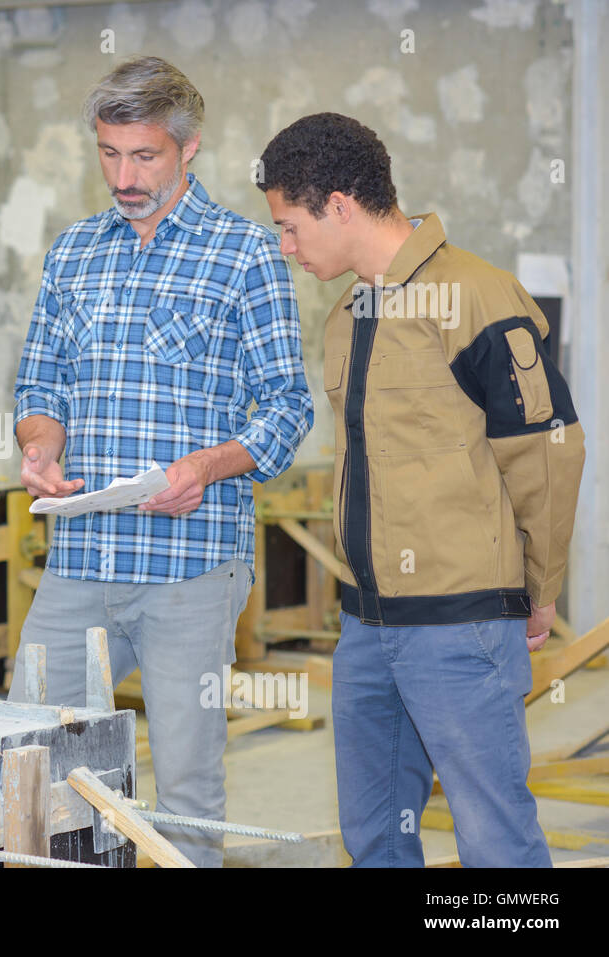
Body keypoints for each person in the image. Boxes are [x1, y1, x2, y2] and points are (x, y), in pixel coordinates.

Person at [258, 112, 585, 867]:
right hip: (367, 629)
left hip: (460, 626)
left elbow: (546, 455)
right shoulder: (347, 315)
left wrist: (541, 587)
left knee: (494, 840)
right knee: (375, 837)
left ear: (339, 205)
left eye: (290, 226)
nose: (286, 248)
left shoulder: (476, 295)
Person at [10, 56, 313, 867]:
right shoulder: (74, 252)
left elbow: (288, 407)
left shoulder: (244, 254)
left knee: (185, 793)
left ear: (189, 148)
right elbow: (41, 384)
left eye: (143, 156)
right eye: (109, 154)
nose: (124, 175)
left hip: (191, 565)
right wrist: (40, 444)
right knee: (29, 759)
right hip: (80, 557)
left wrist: (206, 467)